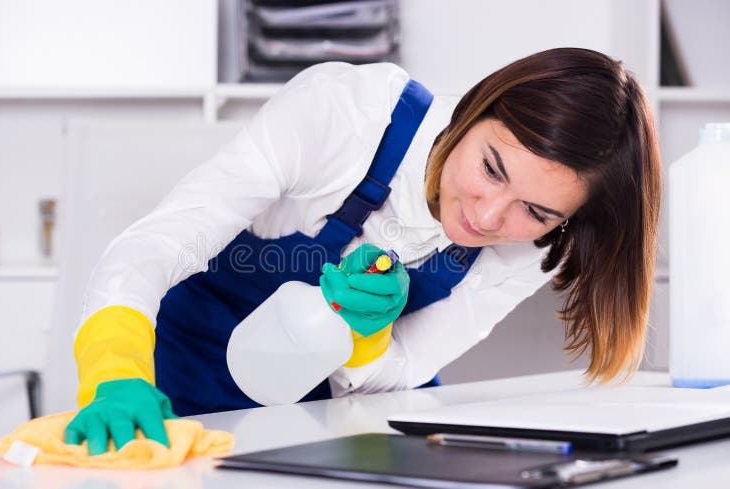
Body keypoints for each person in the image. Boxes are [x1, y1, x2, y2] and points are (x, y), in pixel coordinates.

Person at [63, 47, 661, 455]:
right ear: (477, 106)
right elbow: (160, 241)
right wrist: (115, 372)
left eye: (535, 211)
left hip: (332, 433)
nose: (485, 217)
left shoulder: (535, 247)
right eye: (491, 168)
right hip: (184, 390)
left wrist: (368, 336)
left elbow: (404, 372)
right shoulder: (345, 115)